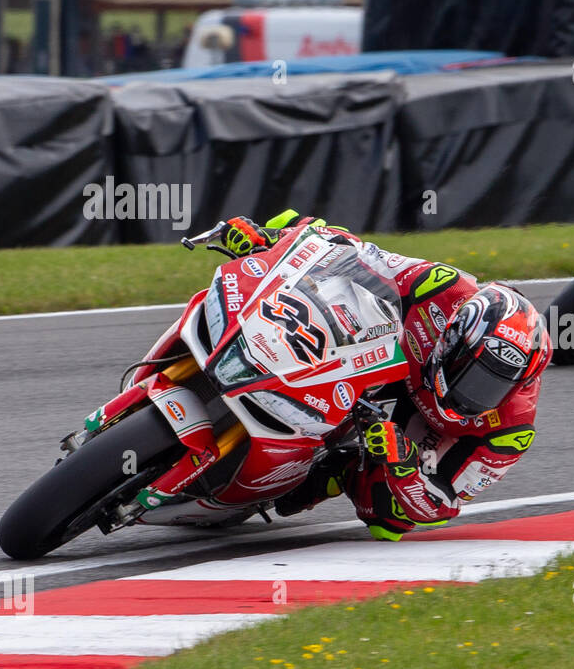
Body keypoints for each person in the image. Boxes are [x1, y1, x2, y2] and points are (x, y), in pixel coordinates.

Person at [216, 210, 551, 539]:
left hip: (425, 430)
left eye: (496, 385)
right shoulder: (439, 288)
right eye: (475, 374)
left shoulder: (510, 431)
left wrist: (405, 467)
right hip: (386, 361)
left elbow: (442, 506)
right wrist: (273, 241)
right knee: (308, 269)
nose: (477, 394)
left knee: (389, 516)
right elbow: (357, 254)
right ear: (454, 340)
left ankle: (338, 471)